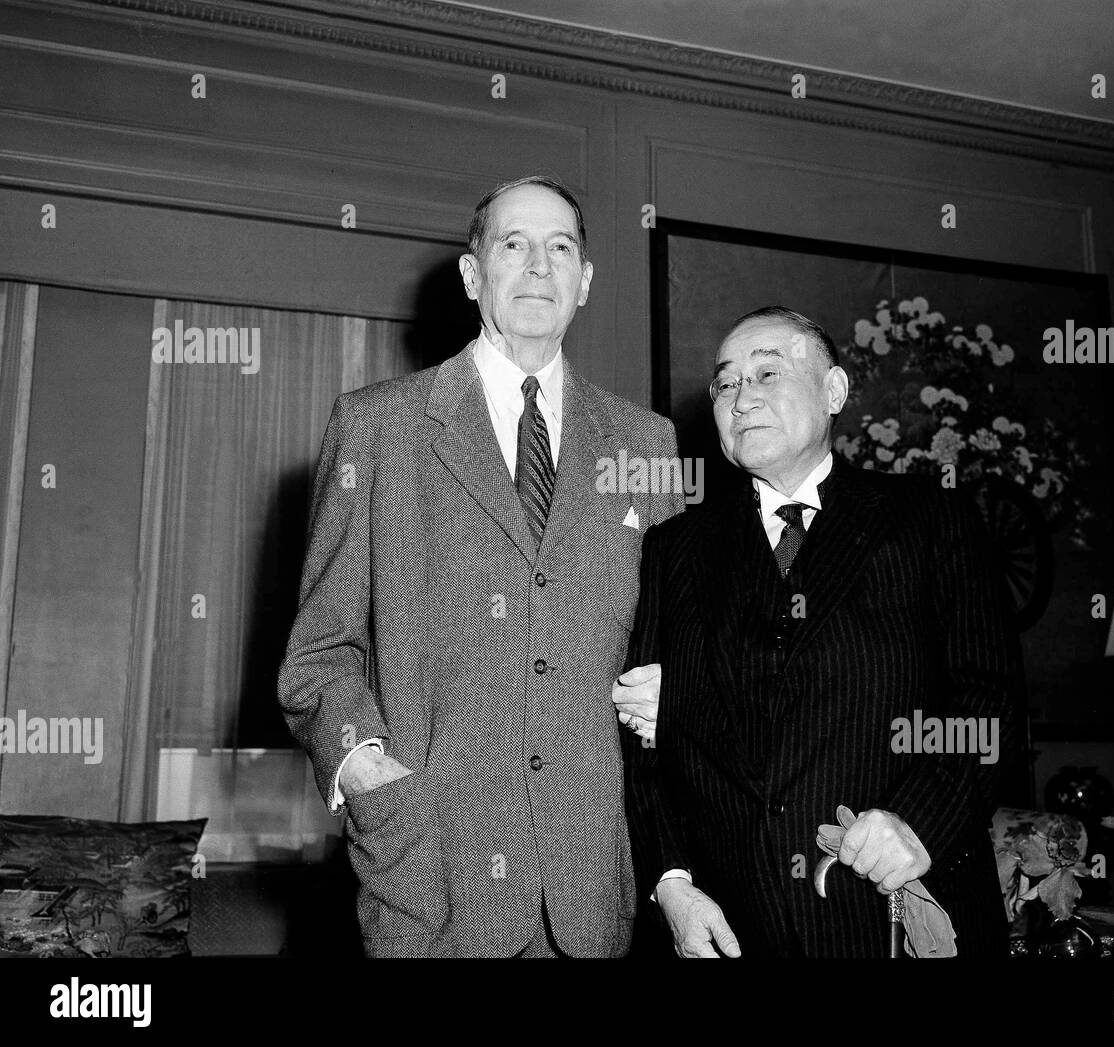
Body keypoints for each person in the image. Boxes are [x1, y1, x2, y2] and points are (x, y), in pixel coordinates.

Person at [279, 175, 682, 957]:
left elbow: (679, 634)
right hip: (429, 882)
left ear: (586, 281)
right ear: (472, 275)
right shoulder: (376, 426)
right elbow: (317, 655)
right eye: (514, 244)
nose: (539, 266)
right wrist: (368, 770)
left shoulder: (648, 443)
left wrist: (682, 684)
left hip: (596, 886)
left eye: (561, 247)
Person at [614, 306, 1023, 958]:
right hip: (734, 930)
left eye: (767, 373)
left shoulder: (928, 519)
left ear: (833, 391)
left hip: (894, 915)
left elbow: (989, 703)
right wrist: (672, 884)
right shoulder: (677, 549)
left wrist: (919, 823)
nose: (742, 398)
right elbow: (649, 754)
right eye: (725, 384)